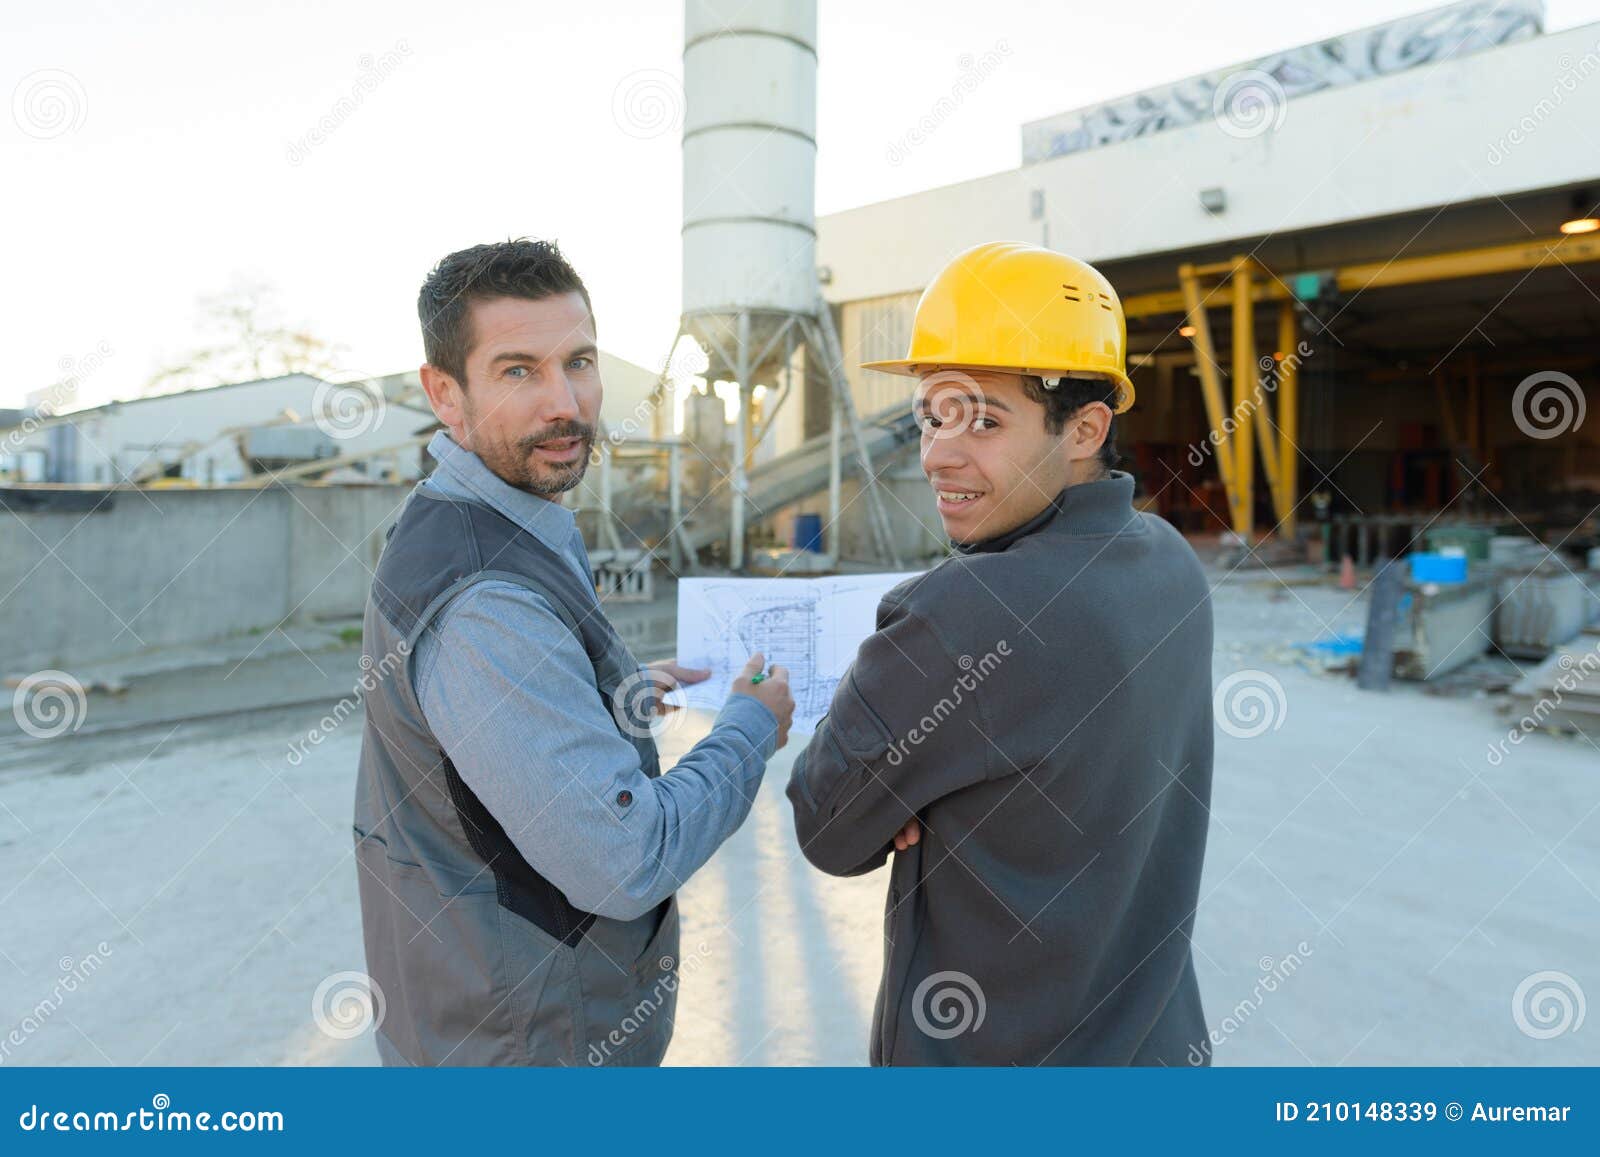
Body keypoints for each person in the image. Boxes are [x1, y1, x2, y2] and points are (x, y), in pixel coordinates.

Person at [354, 238, 794, 1066]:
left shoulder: (469, 514)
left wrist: (600, 694)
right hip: (529, 1042)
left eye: (580, 361)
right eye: (518, 370)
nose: (567, 402)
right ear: (444, 393)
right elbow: (624, 861)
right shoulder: (485, 600)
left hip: (471, 1005)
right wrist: (748, 729)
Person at [787, 241, 1214, 1066]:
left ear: (1086, 427)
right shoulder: (1171, 564)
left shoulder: (962, 611)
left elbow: (829, 827)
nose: (940, 454)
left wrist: (911, 790)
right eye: (932, 415)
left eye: (985, 420)